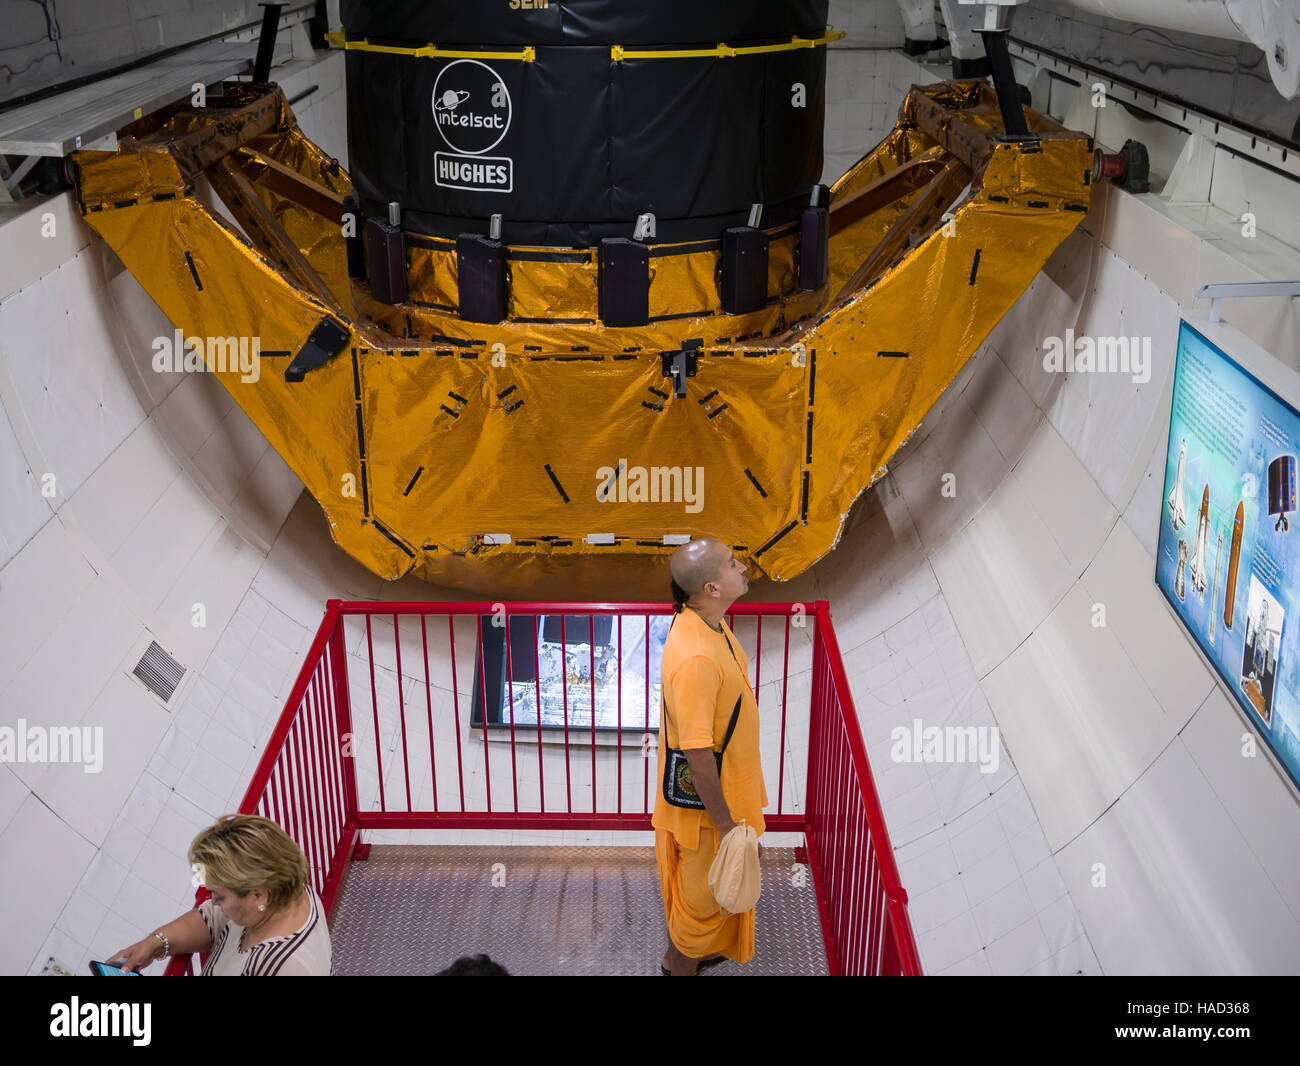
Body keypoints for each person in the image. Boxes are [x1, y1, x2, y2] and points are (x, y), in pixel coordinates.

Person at [654, 536, 767, 975]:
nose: (743, 568)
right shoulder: (698, 657)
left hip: (722, 798)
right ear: (712, 590)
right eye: (732, 564)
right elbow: (698, 756)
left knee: (701, 901)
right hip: (708, 815)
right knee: (697, 917)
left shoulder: (707, 624)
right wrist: (727, 831)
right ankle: (677, 964)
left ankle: (689, 952)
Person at [107, 814, 332, 975]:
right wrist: (155, 944)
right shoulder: (283, 888)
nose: (212, 901)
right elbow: (212, 921)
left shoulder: (282, 967)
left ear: (258, 895)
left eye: (220, 896)